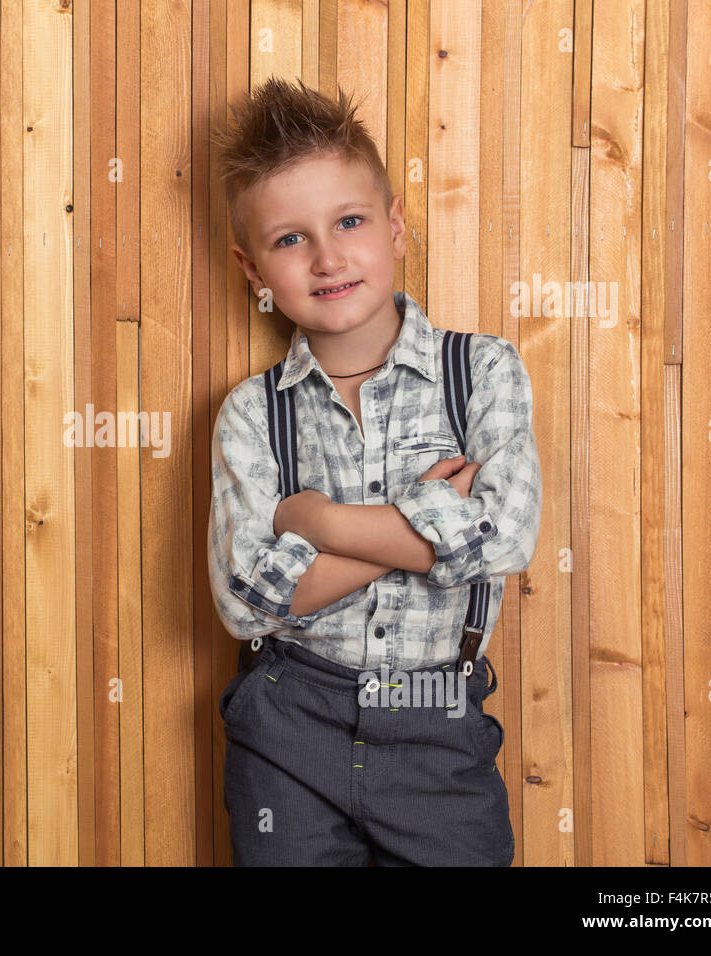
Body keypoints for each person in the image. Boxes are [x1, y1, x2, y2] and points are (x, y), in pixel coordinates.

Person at [207, 77, 542, 866]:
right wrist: (428, 516)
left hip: (439, 729)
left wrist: (316, 521)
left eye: (349, 221)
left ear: (394, 226)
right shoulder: (253, 414)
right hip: (289, 727)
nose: (327, 257)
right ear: (251, 268)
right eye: (290, 240)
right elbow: (247, 602)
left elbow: (503, 540)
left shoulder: (484, 372)